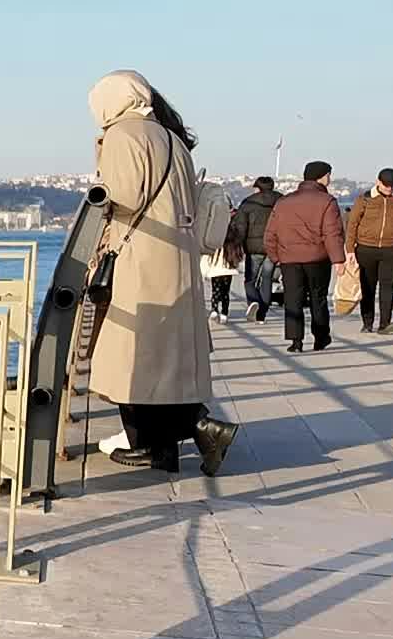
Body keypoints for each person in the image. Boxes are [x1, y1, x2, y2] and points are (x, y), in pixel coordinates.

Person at [85, 70, 235, 475]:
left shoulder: (123, 135)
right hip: (177, 257)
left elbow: (125, 197)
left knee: (129, 356)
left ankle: (185, 435)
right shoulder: (170, 137)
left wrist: (100, 180)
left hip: (140, 259)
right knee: (163, 359)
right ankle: (174, 444)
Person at [265, 159, 345, 352]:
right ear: (321, 177)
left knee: (292, 299)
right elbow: (332, 233)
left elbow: (271, 233)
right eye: (328, 175)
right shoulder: (327, 201)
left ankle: (296, 341)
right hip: (317, 258)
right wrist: (338, 260)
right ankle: (321, 337)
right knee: (318, 298)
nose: (330, 179)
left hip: (289, 259)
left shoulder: (284, 202)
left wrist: (276, 257)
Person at [346, 167, 393, 333]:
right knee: (367, 287)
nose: (389, 189)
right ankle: (367, 322)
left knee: (387, 286)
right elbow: (352, 224)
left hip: (392, 249)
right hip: (366, 249)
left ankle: (385, 323)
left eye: (392, 186)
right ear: (378, 182)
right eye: (386, 185)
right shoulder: (365, 199)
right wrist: (350, 250)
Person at [228, 176, 281, 320]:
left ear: (257, 188)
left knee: (250, 279)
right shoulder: (282, 201)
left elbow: (240, 227)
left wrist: (237, 245)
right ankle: (262, 313)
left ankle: (253, 303)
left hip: (253, 248)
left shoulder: (248, 203)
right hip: (274, 247)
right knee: (267, 279)